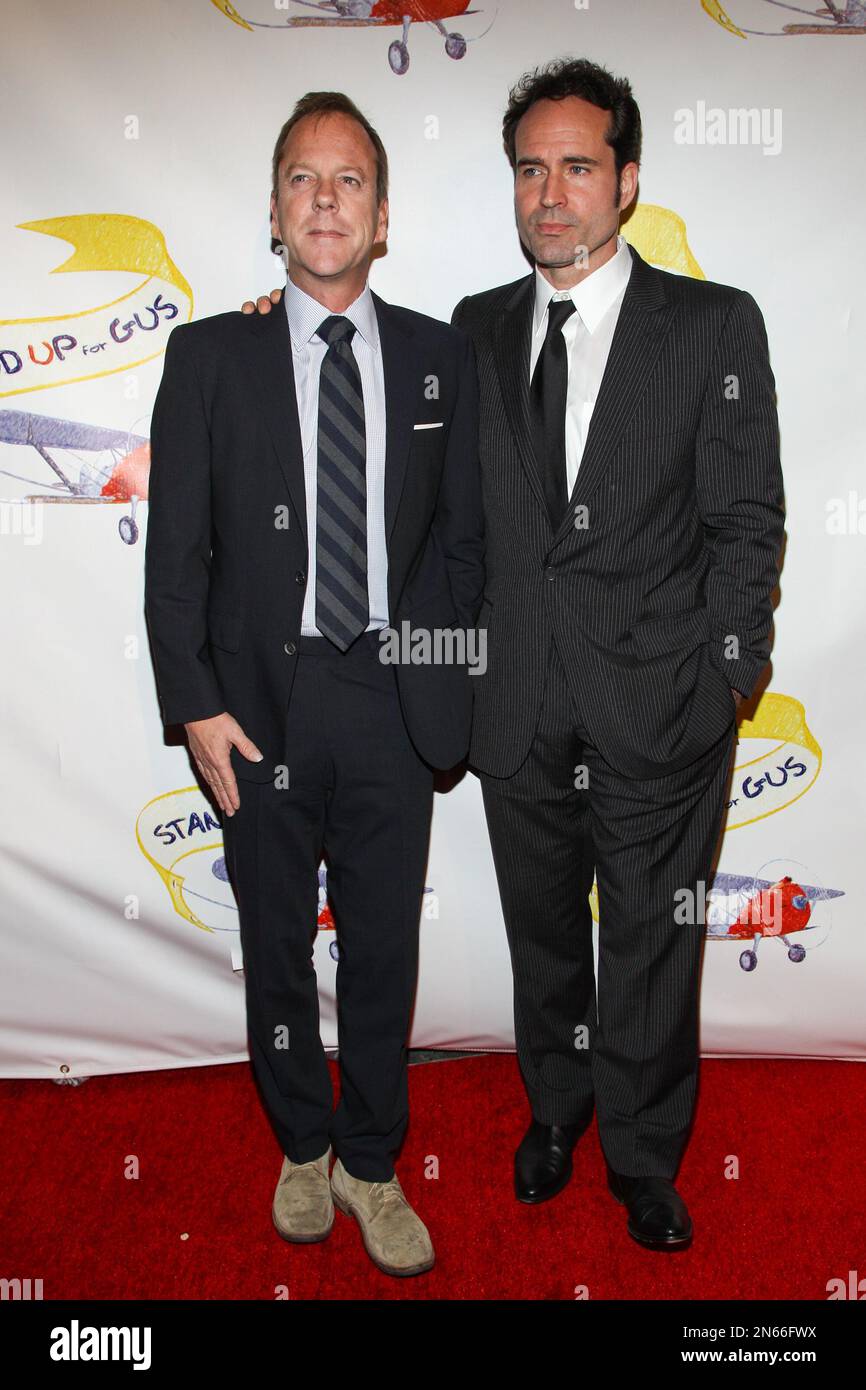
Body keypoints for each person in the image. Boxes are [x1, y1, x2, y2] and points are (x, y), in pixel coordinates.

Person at [243, 57, 785, 1251]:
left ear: (626, 181)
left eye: (578, 166)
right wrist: (256, 331)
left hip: (661, 706)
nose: (551, 192)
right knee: (544, 937)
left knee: (651, 942)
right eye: (530, 168)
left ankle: (642, 1155)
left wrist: (724, 678)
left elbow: (747, 523)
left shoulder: (711, 325)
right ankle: (556, 1110)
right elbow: (347, 375)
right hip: (513, 707)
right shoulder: (469, 334)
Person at [145, 90, 484, 1278]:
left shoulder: (445, 356)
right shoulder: (209, 355)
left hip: (393, 706)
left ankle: (373, 1160)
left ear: (382, 216)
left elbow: (465, 551)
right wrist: (194, 705)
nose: (325, 199)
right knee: (280, 941)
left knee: (384, 948)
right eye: (302, 178)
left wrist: (449, 689)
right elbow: (176, 549)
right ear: (274, 210)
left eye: (348, 181)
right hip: (258, 709)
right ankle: (301, 1144)